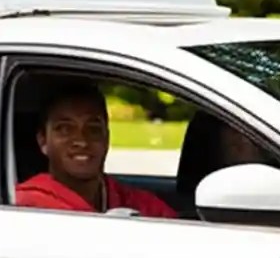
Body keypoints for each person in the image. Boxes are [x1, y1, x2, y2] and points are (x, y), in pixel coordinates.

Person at [14, 81, 176, 218]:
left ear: (107, 137)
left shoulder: (138, 204)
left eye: (93, 129)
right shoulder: (25, 208)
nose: (81, 141)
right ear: (43, 141)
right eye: (64, 129)